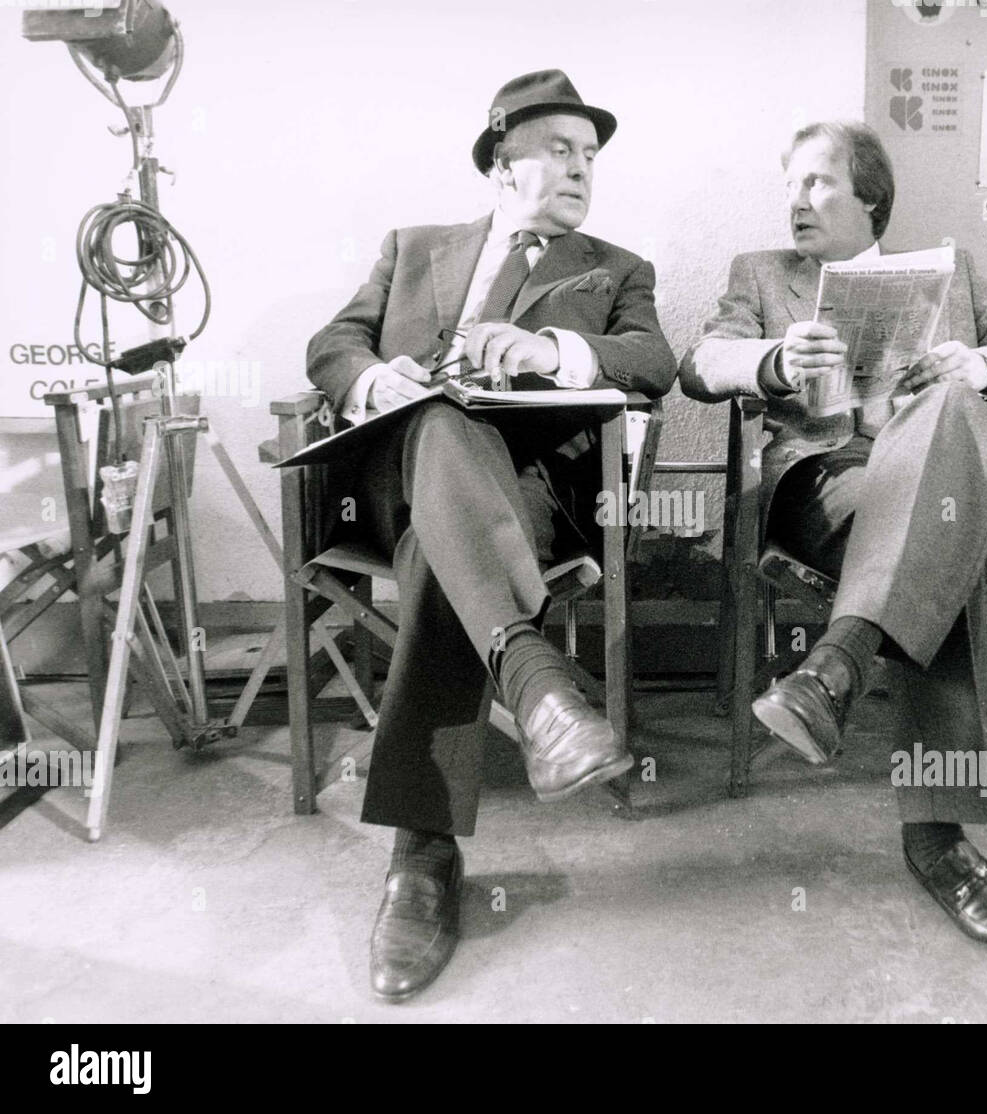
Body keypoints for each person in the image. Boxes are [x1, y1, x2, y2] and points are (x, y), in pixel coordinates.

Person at [306, 70, 677, 999]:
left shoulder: (616, 268)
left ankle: (422, 854)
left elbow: (654, 362)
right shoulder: (415, 245)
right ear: (501, 161)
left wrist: (553, 350)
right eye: (560, 149)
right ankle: (539, 689)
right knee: (432, 422)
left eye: (591, 156)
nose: (582, 169)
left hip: (524, 499)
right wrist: (371, 380)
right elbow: (331, 343)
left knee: (444, 546)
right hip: (390, 479)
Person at [680, 120, 987, 952]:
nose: (797, 201)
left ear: (871, 197)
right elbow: (700, 364)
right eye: (790, 185)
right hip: (828, 486)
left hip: (946, 478)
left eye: (816, 183)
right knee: (936, 550)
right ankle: (941, 842)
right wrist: (774, 359)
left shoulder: (953, 272)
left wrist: (983, 368)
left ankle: (835, 666)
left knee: (949, 441)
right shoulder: (764, 275)